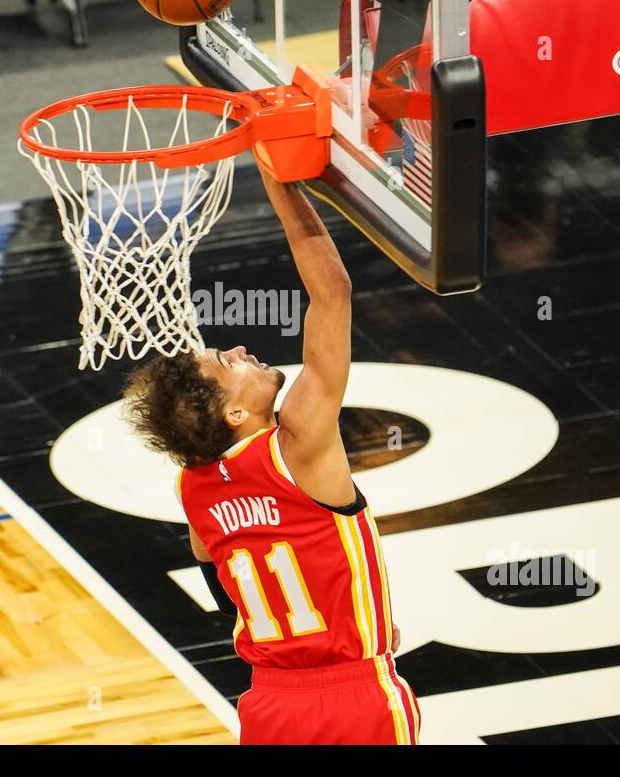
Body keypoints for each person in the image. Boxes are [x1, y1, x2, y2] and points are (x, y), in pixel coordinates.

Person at [123, 167, 420, 744]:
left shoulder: (195, 490)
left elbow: (217, 573)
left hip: (269, 705)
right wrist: (281, 180)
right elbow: (331, 292)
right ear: (235, 415)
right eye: (228, 364)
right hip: (355, 697)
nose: (239, 348)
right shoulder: (299, 444)